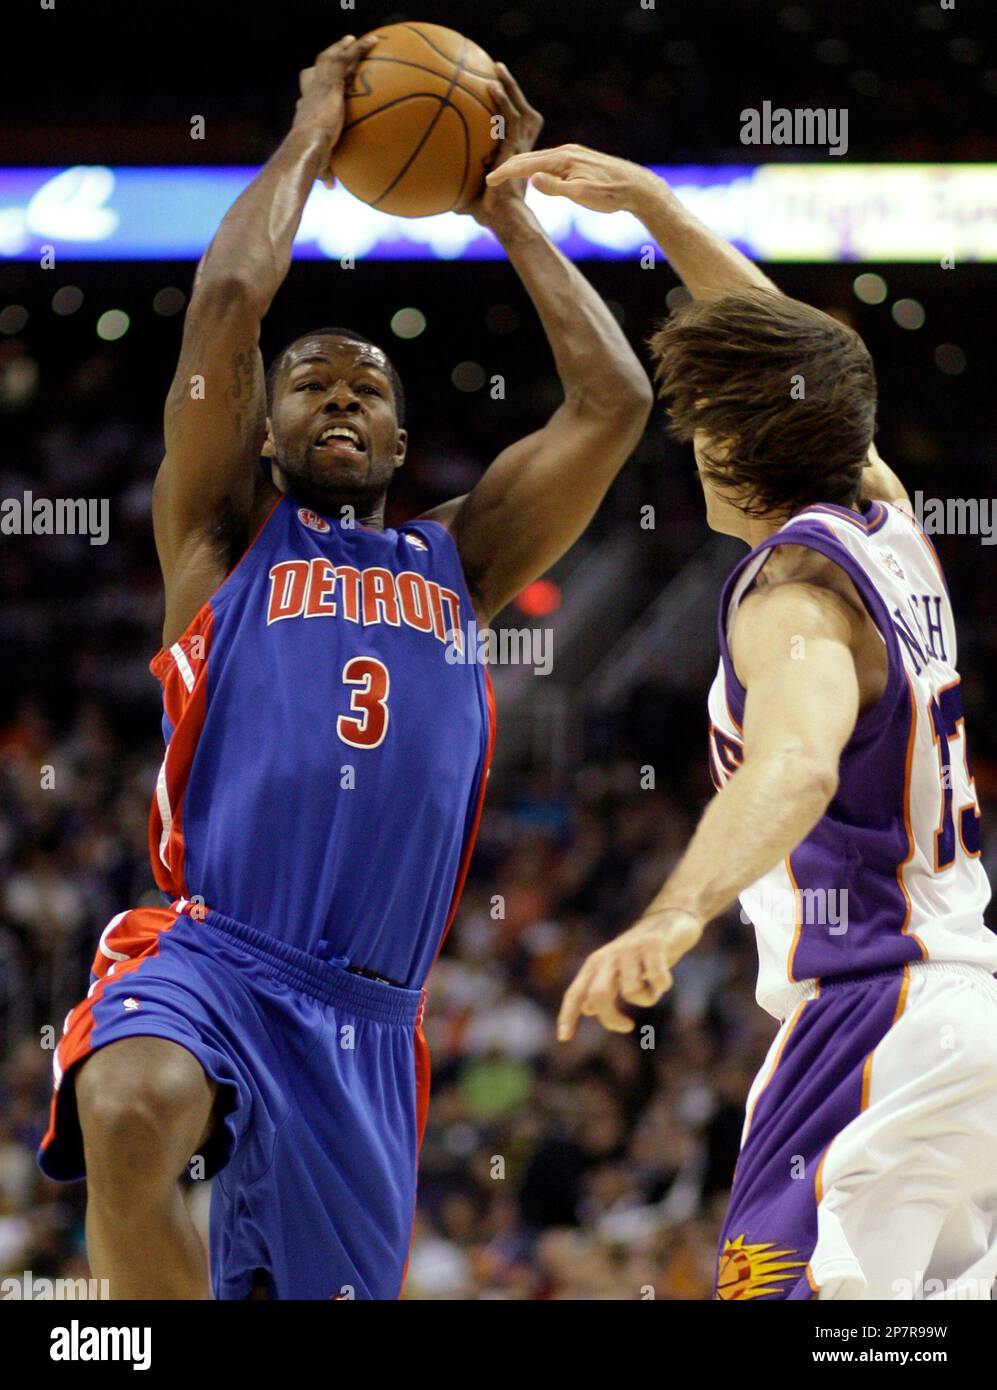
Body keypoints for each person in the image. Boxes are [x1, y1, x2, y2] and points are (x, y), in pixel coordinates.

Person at [37, 46, 652, 1300]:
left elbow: (613, 400)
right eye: (307, 380)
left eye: (364, 385)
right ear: (262, 430)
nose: (336, 394)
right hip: (218, 954)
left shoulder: (459, 556)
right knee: (129, 1106)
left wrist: (504, 211)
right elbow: (223, 310)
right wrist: (318, 133)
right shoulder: (219, 537)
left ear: (400, 436)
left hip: (367, 1022)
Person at [489, 145, 997, 1300]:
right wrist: (661, 211)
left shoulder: (795, 599)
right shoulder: (884, 521)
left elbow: (795, 766)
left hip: (877, 1016)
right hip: (963, 1017)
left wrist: (671, 917)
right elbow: (797, 365)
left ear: (728, 443)